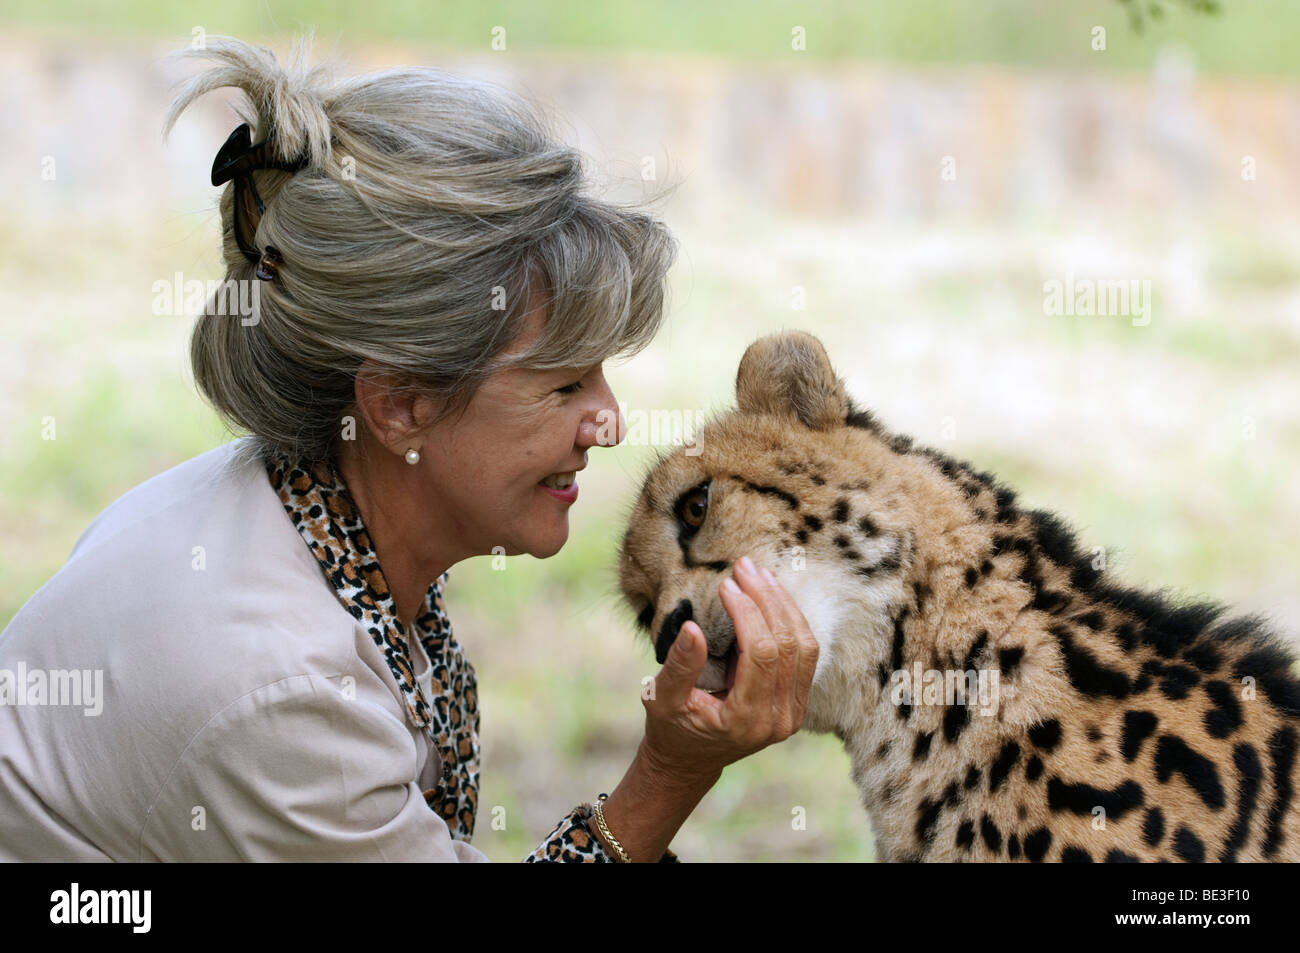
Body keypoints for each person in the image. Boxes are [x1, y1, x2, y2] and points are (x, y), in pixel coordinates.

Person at [0, 35, 818, 862]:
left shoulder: (302, 523)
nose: (608, 423)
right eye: (564, 386)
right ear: (400, 406)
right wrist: (672, 772)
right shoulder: (283, 686)